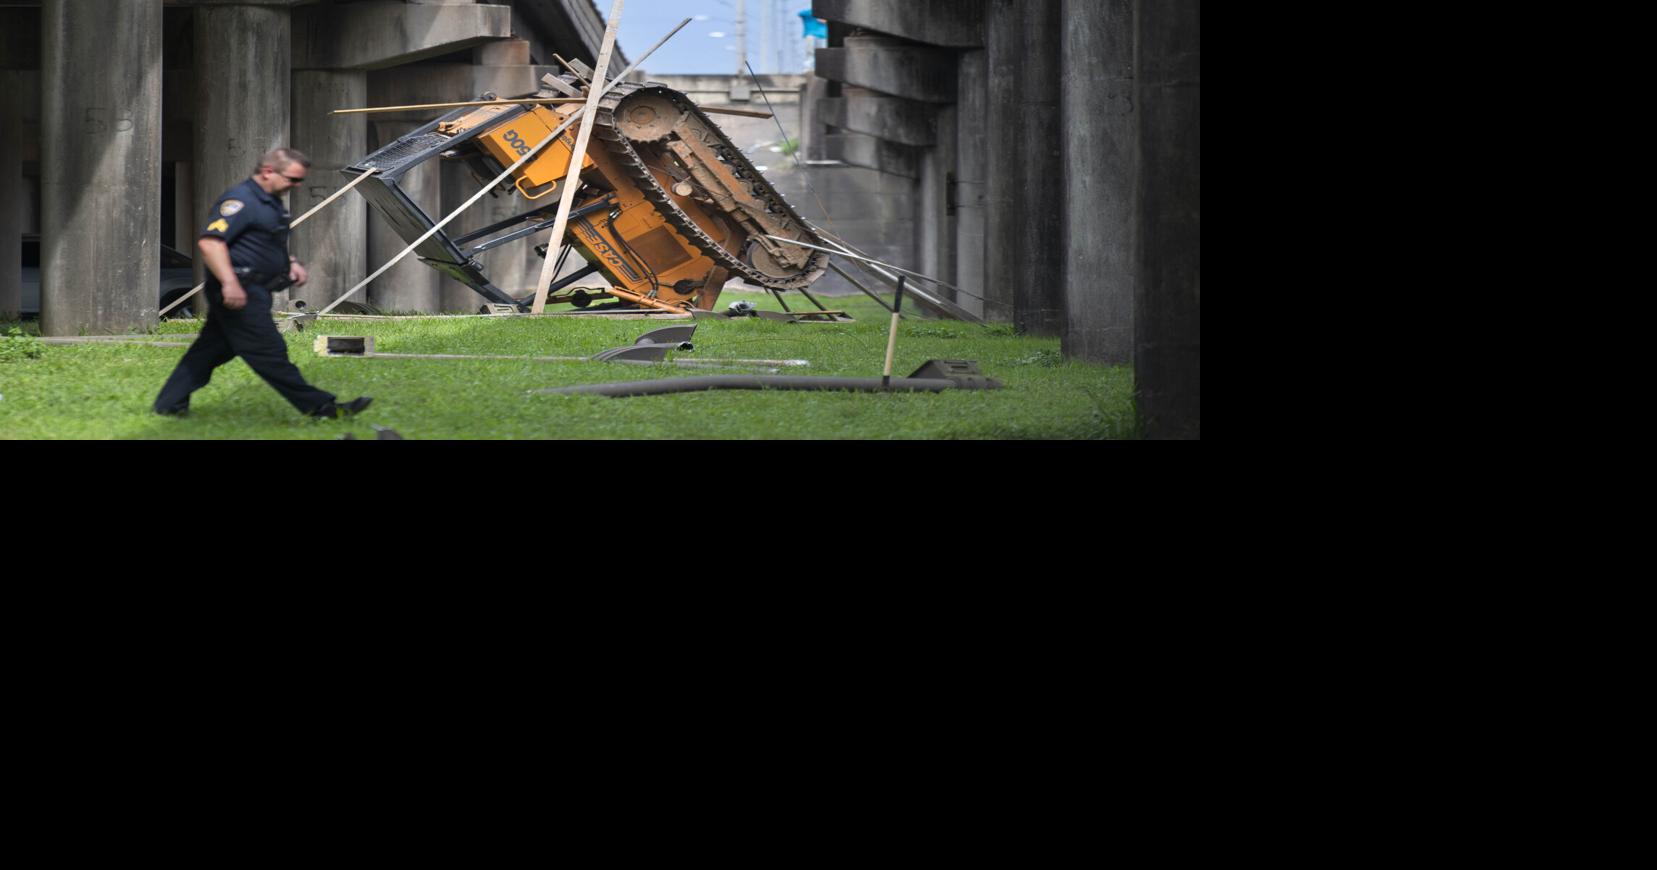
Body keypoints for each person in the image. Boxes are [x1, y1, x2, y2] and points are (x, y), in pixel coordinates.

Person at [154, 148, 370, 419]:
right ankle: (322, 407)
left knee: (208, 352)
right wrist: (230, 282)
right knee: (270, 352)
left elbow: (262, 244)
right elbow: (210, 243)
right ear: (268, 172)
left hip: (254, 288)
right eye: (292, 179)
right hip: (239, 290)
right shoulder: (240, 201)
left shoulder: (270, 203)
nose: (297, 185)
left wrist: (289, 263)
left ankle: (168, 404)